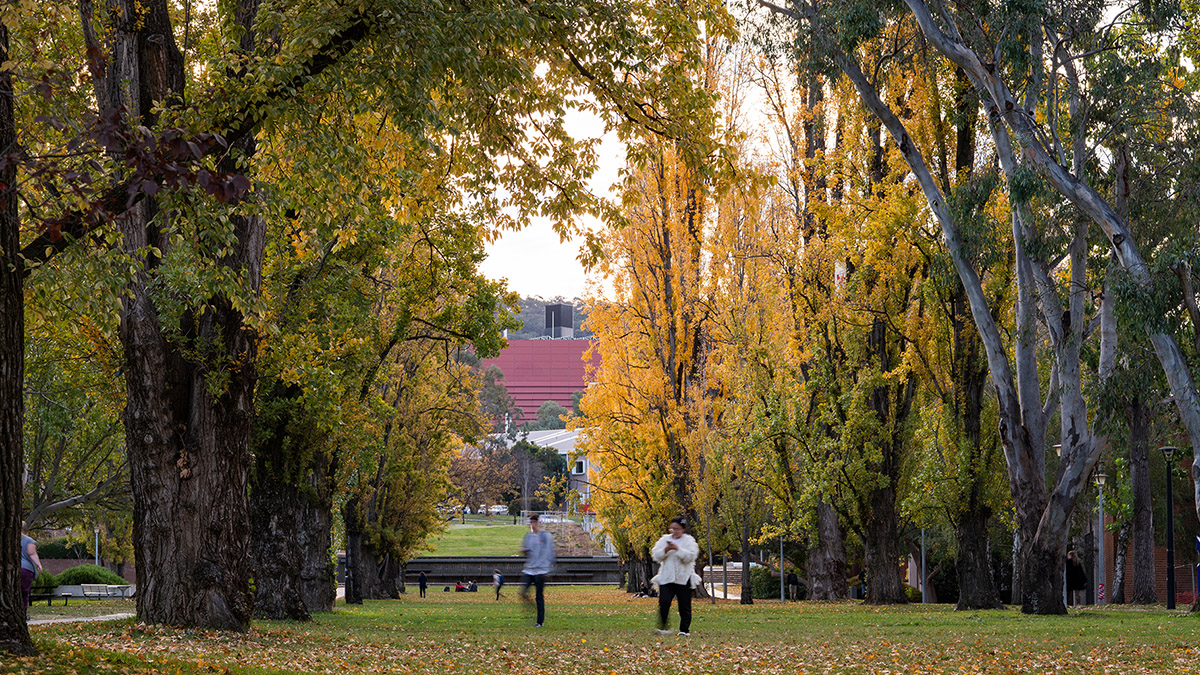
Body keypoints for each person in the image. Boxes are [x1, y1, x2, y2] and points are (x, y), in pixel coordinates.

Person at [650, 516, 701, 637]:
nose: (674, 531)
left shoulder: (689, 541)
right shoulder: (664, 539)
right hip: (666, 577)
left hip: (683, 577)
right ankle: (663, 627)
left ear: (683, 529)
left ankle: (684, 630)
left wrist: (678, 549)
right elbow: (656, 555)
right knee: (664, 602)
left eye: (677, 529)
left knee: (684, 605)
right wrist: (666, 549)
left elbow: (691, 557)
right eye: (672, 528)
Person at [520, 514, 556, 627]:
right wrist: (524, 551)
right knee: (523, 592)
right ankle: (532, 608)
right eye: (530, 523)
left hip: (541, 570)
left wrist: (548, 570)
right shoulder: (528, 537)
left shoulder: (546, 536)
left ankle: (540, 621)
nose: (532, 525)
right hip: (530, 569)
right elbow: (526, 549)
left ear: (538, 523)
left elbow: (550, 553)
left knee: (539, 596)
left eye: (534, 522)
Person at [20, 521, 42, 620]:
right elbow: (32, 554)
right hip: (25, 569)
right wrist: (39, 565)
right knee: (24, 593)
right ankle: (22, 614)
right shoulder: (28, 540)